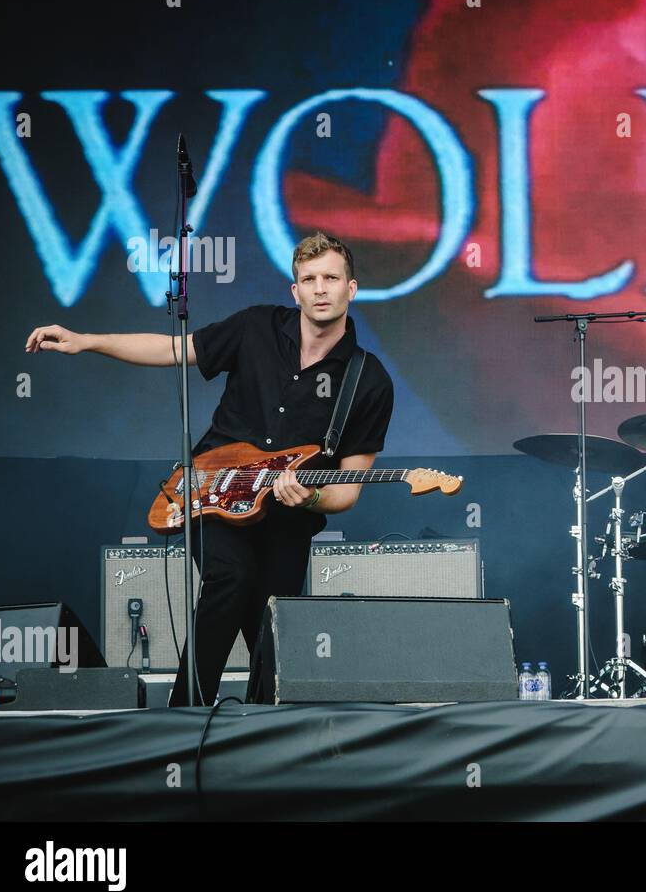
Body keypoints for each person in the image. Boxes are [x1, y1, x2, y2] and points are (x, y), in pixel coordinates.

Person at [25, 232, 394, 705]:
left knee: (271, 628)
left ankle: (267, 729)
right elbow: (172, 350)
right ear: (295, 290)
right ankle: (185, 714)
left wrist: (312, 496)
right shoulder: (256, 328)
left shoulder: (368, 380)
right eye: (309, 279)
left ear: (351, 288)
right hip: (210, 492)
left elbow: (347, 490)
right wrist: (86, 341)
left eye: (331, 278)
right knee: (231, 577)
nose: (320, 288)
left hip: (287, 520)